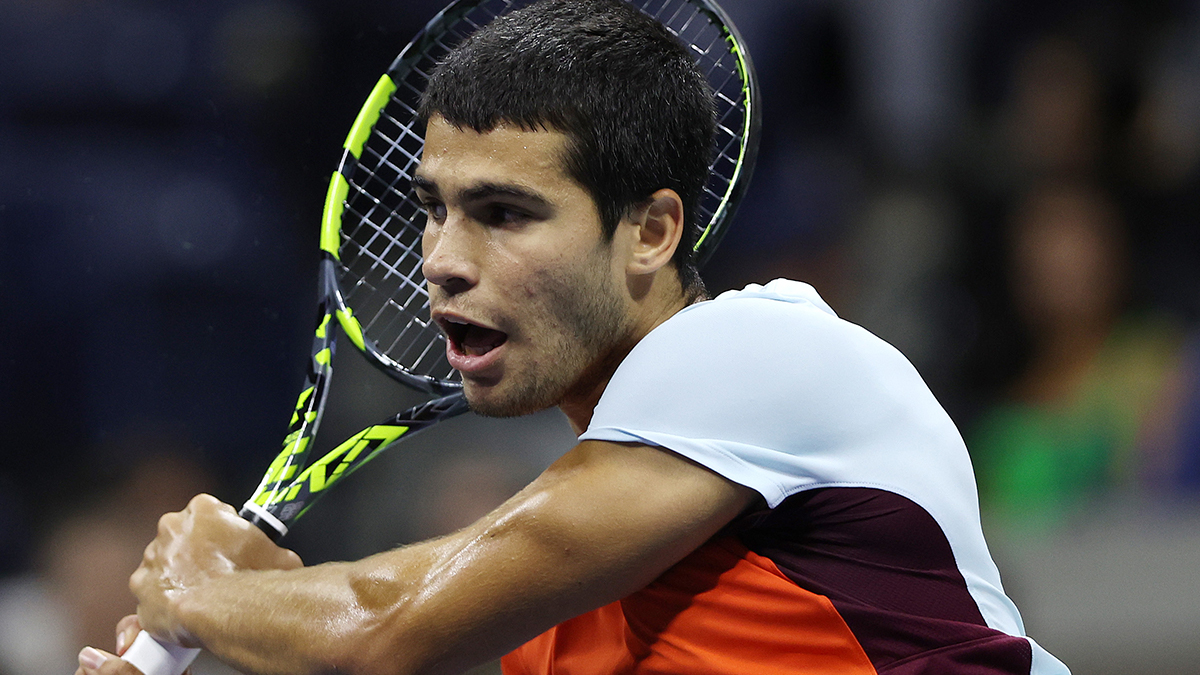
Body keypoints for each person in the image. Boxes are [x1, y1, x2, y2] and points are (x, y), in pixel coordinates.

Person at [77, 1, 1069, 673]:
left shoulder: (762, 354)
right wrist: (260, 625)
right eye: (432, 208)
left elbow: (385, 627)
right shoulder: (565, 629)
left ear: (651, 232)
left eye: (504, 213)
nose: (444, 259)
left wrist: (197, 593)